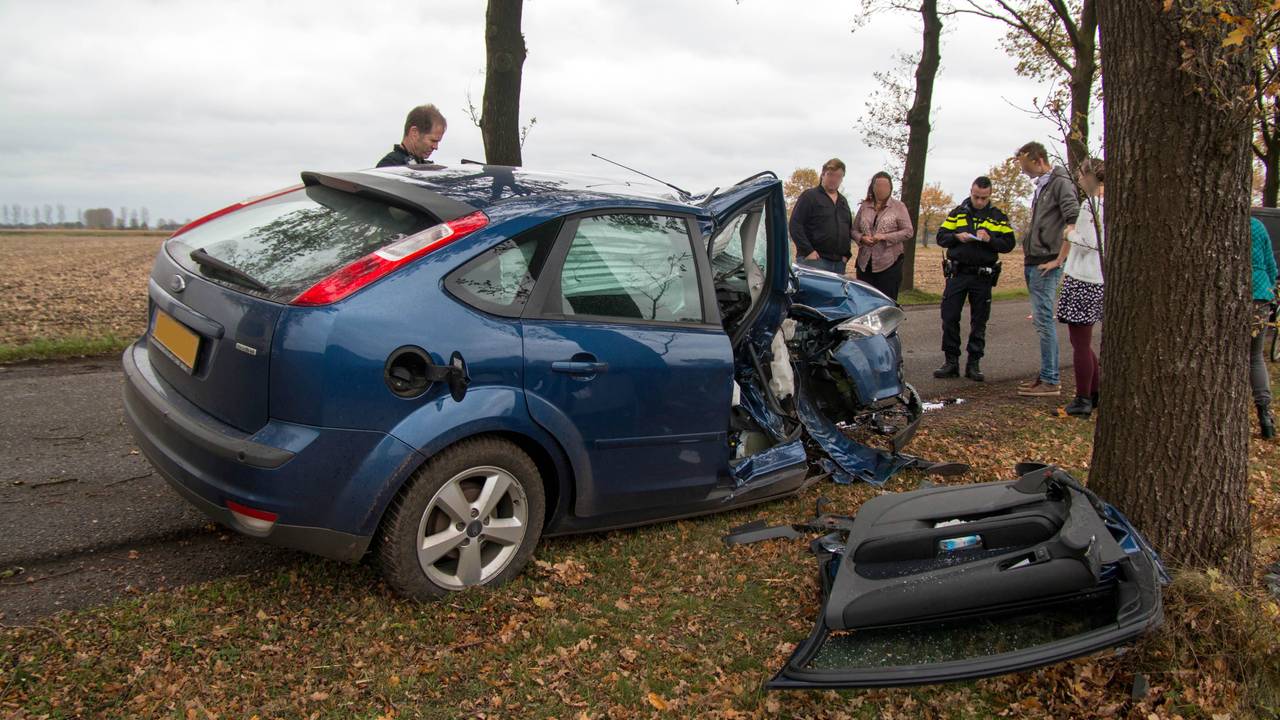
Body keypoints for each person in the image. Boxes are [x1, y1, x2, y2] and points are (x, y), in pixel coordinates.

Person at [933, 176, 1016, 382]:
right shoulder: (958, 213)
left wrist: (990, 240)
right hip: (958, 274)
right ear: (971, 191)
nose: (979, 201)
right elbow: (941, 237)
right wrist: (956, 237)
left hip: (982, 275)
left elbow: (1009, 243)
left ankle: (974, 363)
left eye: (983, 198)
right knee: (950, 316)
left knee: (979, 321)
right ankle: (951, 361)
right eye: (976, 196)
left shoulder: (997, 217)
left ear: (990, 195)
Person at [1015, 142, 1079, 397]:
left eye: (1025, 164)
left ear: (1038, 159)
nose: (1023, 170)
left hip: (1047, 261)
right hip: (1035, 259)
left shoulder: (1060, 183)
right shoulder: (1043, 185)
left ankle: (1051, 380)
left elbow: (1072, 220)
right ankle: (1045, 375)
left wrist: (1059, 260)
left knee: (1044, 321)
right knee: (1041, 322)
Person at [1042, 159, 1105, 417]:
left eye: (1081, 175)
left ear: (1091, 176)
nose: (1079, 180)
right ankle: (1095, 389)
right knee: (1081, 340)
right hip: (1095, 277)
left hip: (1083, 278)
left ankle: (1082, 399)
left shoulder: (1091, 206)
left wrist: (1069, 233)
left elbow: (1089, 242)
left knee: (1079, 342)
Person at [852, 171, 914, 301]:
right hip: (865, 264)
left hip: (889, 265)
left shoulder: (898, 207)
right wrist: (862, 238)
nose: (881, 189)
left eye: (885, 186)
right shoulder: (865, 206)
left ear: (890, 188)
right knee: (865, 303)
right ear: (873, 188)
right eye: (878, 185)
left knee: (885, 304)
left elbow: (908, 231)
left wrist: (885, 237)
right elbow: (853, 230)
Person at [789, 159, 853, 274]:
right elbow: (795, 225)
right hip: (814, 260)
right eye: (830, 175)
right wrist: (808, 251)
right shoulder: (809, 196)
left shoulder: (843, 201)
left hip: (838, 263)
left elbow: (848, 228)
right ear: (823, 175)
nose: (834, 179)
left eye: (838, 176)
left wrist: (846, 255)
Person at [1250, 215, 1278, 438]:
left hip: (1229, 294)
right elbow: (1271, 266)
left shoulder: (1220, 225)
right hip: (1260, 297)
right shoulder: (1257, 226)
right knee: (1255, 357)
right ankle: (1265, 417)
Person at [377, 104, 447, 167]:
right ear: (414, 132)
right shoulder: (389, 167)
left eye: (438, 142)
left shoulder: (427, 168)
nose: (435, 147)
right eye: (433, 140)